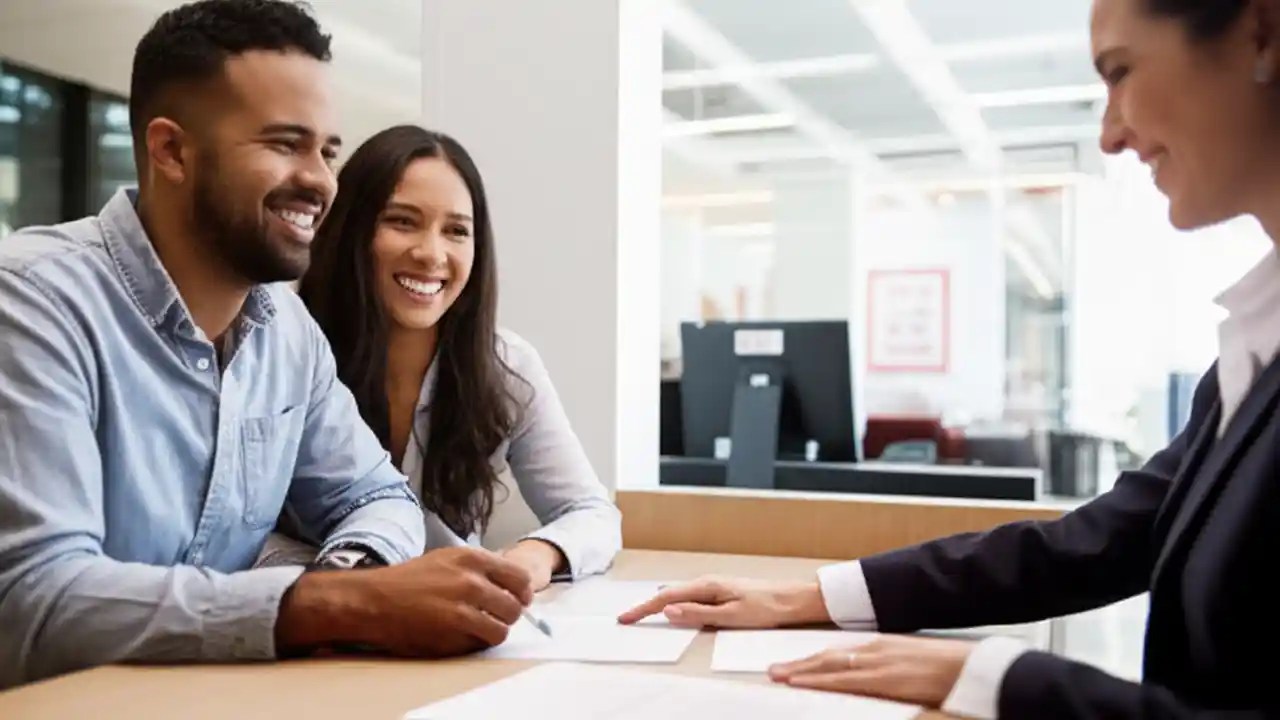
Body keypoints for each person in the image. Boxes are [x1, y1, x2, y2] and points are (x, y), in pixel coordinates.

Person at [621, 0, 1280, 717]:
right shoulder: (1255, 339)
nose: (1110, 133)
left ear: (1262, 32)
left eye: (1119, 73)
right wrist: (808, 595)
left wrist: (997, 679)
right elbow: (1101, 541)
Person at [0, 0, 533, 690]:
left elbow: (379, 497)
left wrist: (351, 577)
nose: (320, 181)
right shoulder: (34, 302)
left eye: (327, 150)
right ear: (171, 151)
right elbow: (33, 601)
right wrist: (336, 605)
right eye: (285, 144)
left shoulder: (285, 329)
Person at [282, 125, 621, 590]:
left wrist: (532, 558)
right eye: (402, 221)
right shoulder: (282, 352)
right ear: (351, 231)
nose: (431, 253)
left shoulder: (506, 368)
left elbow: (592, 513)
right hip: (313, 627)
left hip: (450, 637)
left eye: (457, 231)